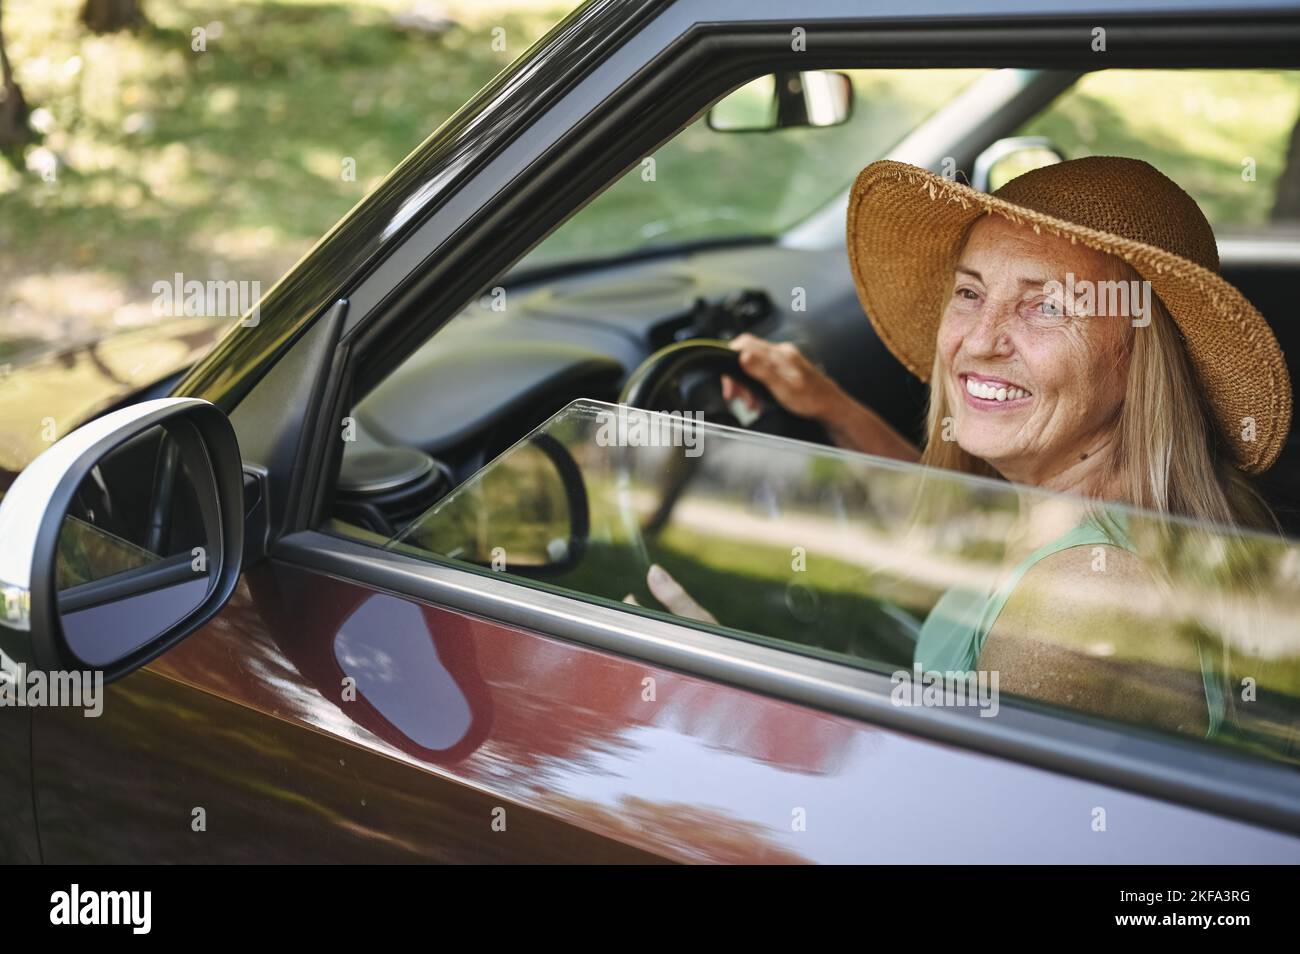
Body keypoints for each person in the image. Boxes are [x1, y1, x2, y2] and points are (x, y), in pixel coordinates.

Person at [639, 156, 1292, 734]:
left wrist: (729, 696)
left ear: (1139, 360)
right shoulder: (1062, 503)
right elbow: (947, 511)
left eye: (1046, 308)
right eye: (971, 292)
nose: (979, 341)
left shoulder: (1079, 601)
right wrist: (833, 409)